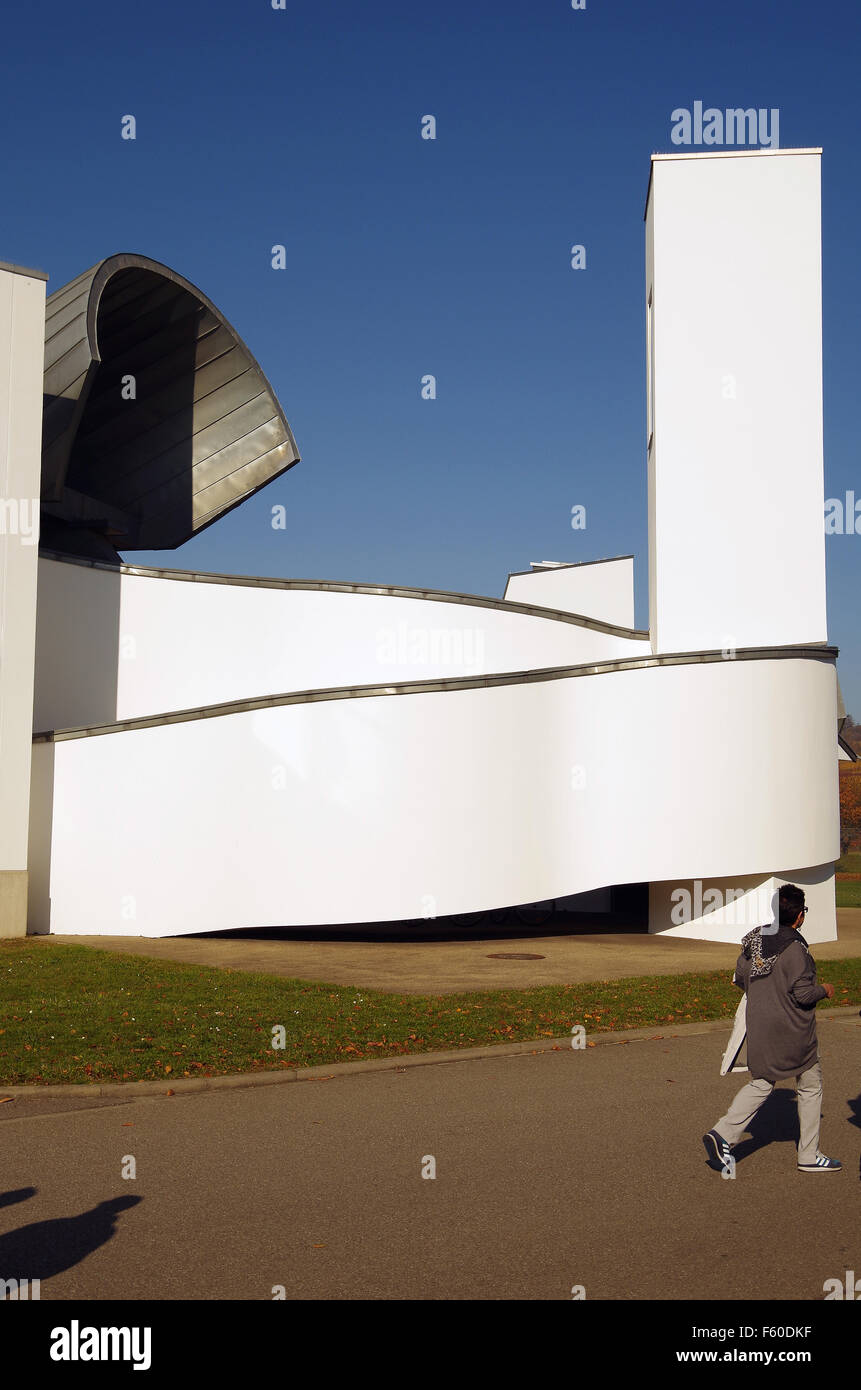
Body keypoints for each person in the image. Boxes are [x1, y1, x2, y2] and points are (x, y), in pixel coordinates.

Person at [703, 883, 841, 1174]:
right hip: (793, 1030)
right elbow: (803, 994)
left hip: (759, 1024)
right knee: (811, 1084)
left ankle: (722, 1133)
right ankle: (809, 1155)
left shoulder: (753, 940)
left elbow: (741, 977)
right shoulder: (796, 949)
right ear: (799, 916)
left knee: (762, 1081)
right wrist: (825, 990)